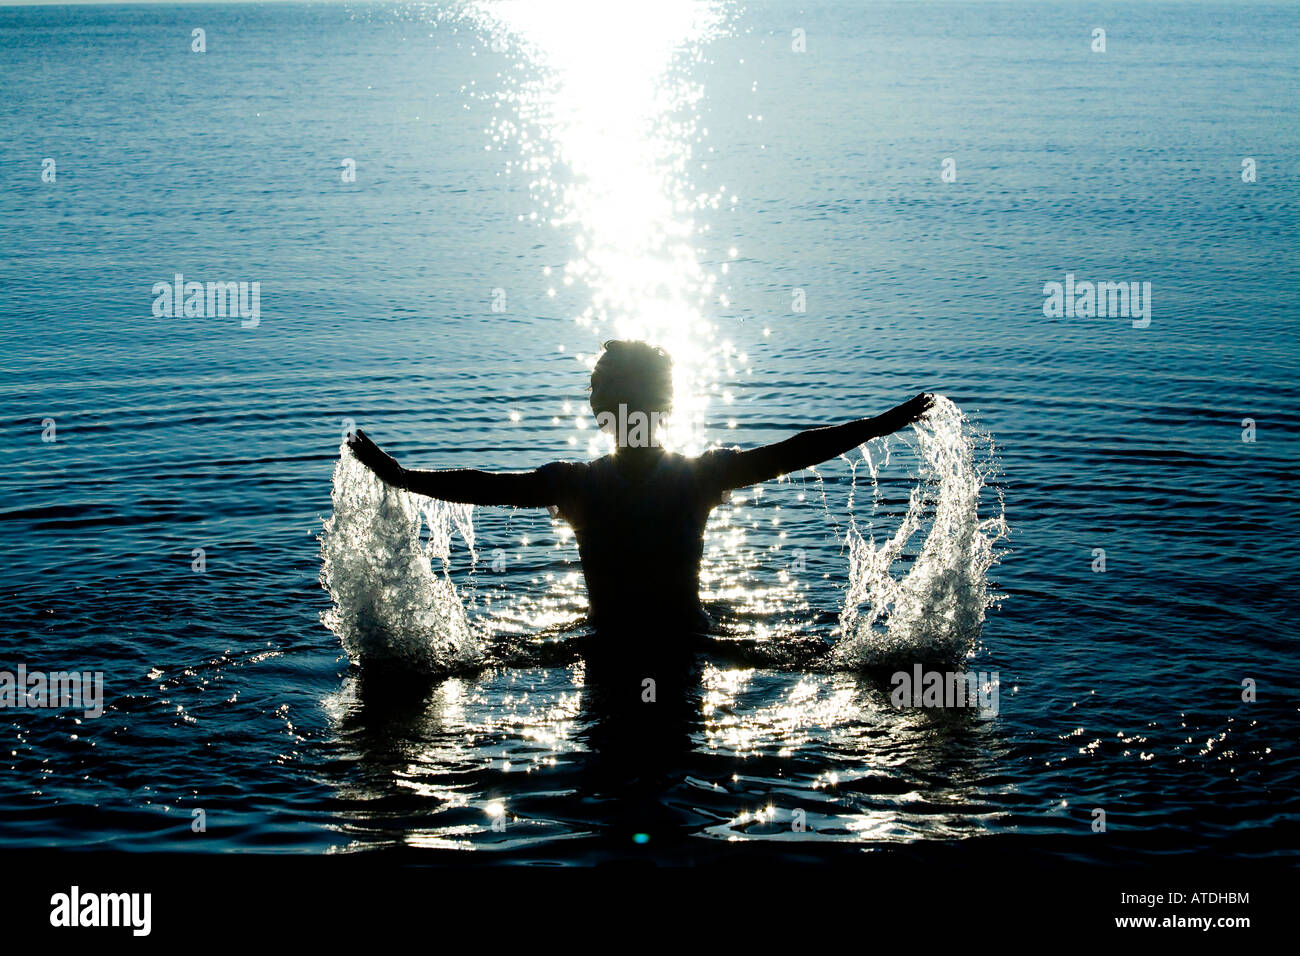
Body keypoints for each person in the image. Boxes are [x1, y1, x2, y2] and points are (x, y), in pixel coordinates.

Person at [347, 340, 933, 637]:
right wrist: (882, 424)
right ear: (668, 406)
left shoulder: (576, 486)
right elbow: (797, 451)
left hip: (607, 650)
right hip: (687, 648)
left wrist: (402, 477)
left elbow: (483, 487)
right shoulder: (697, 477)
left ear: (599, 410)